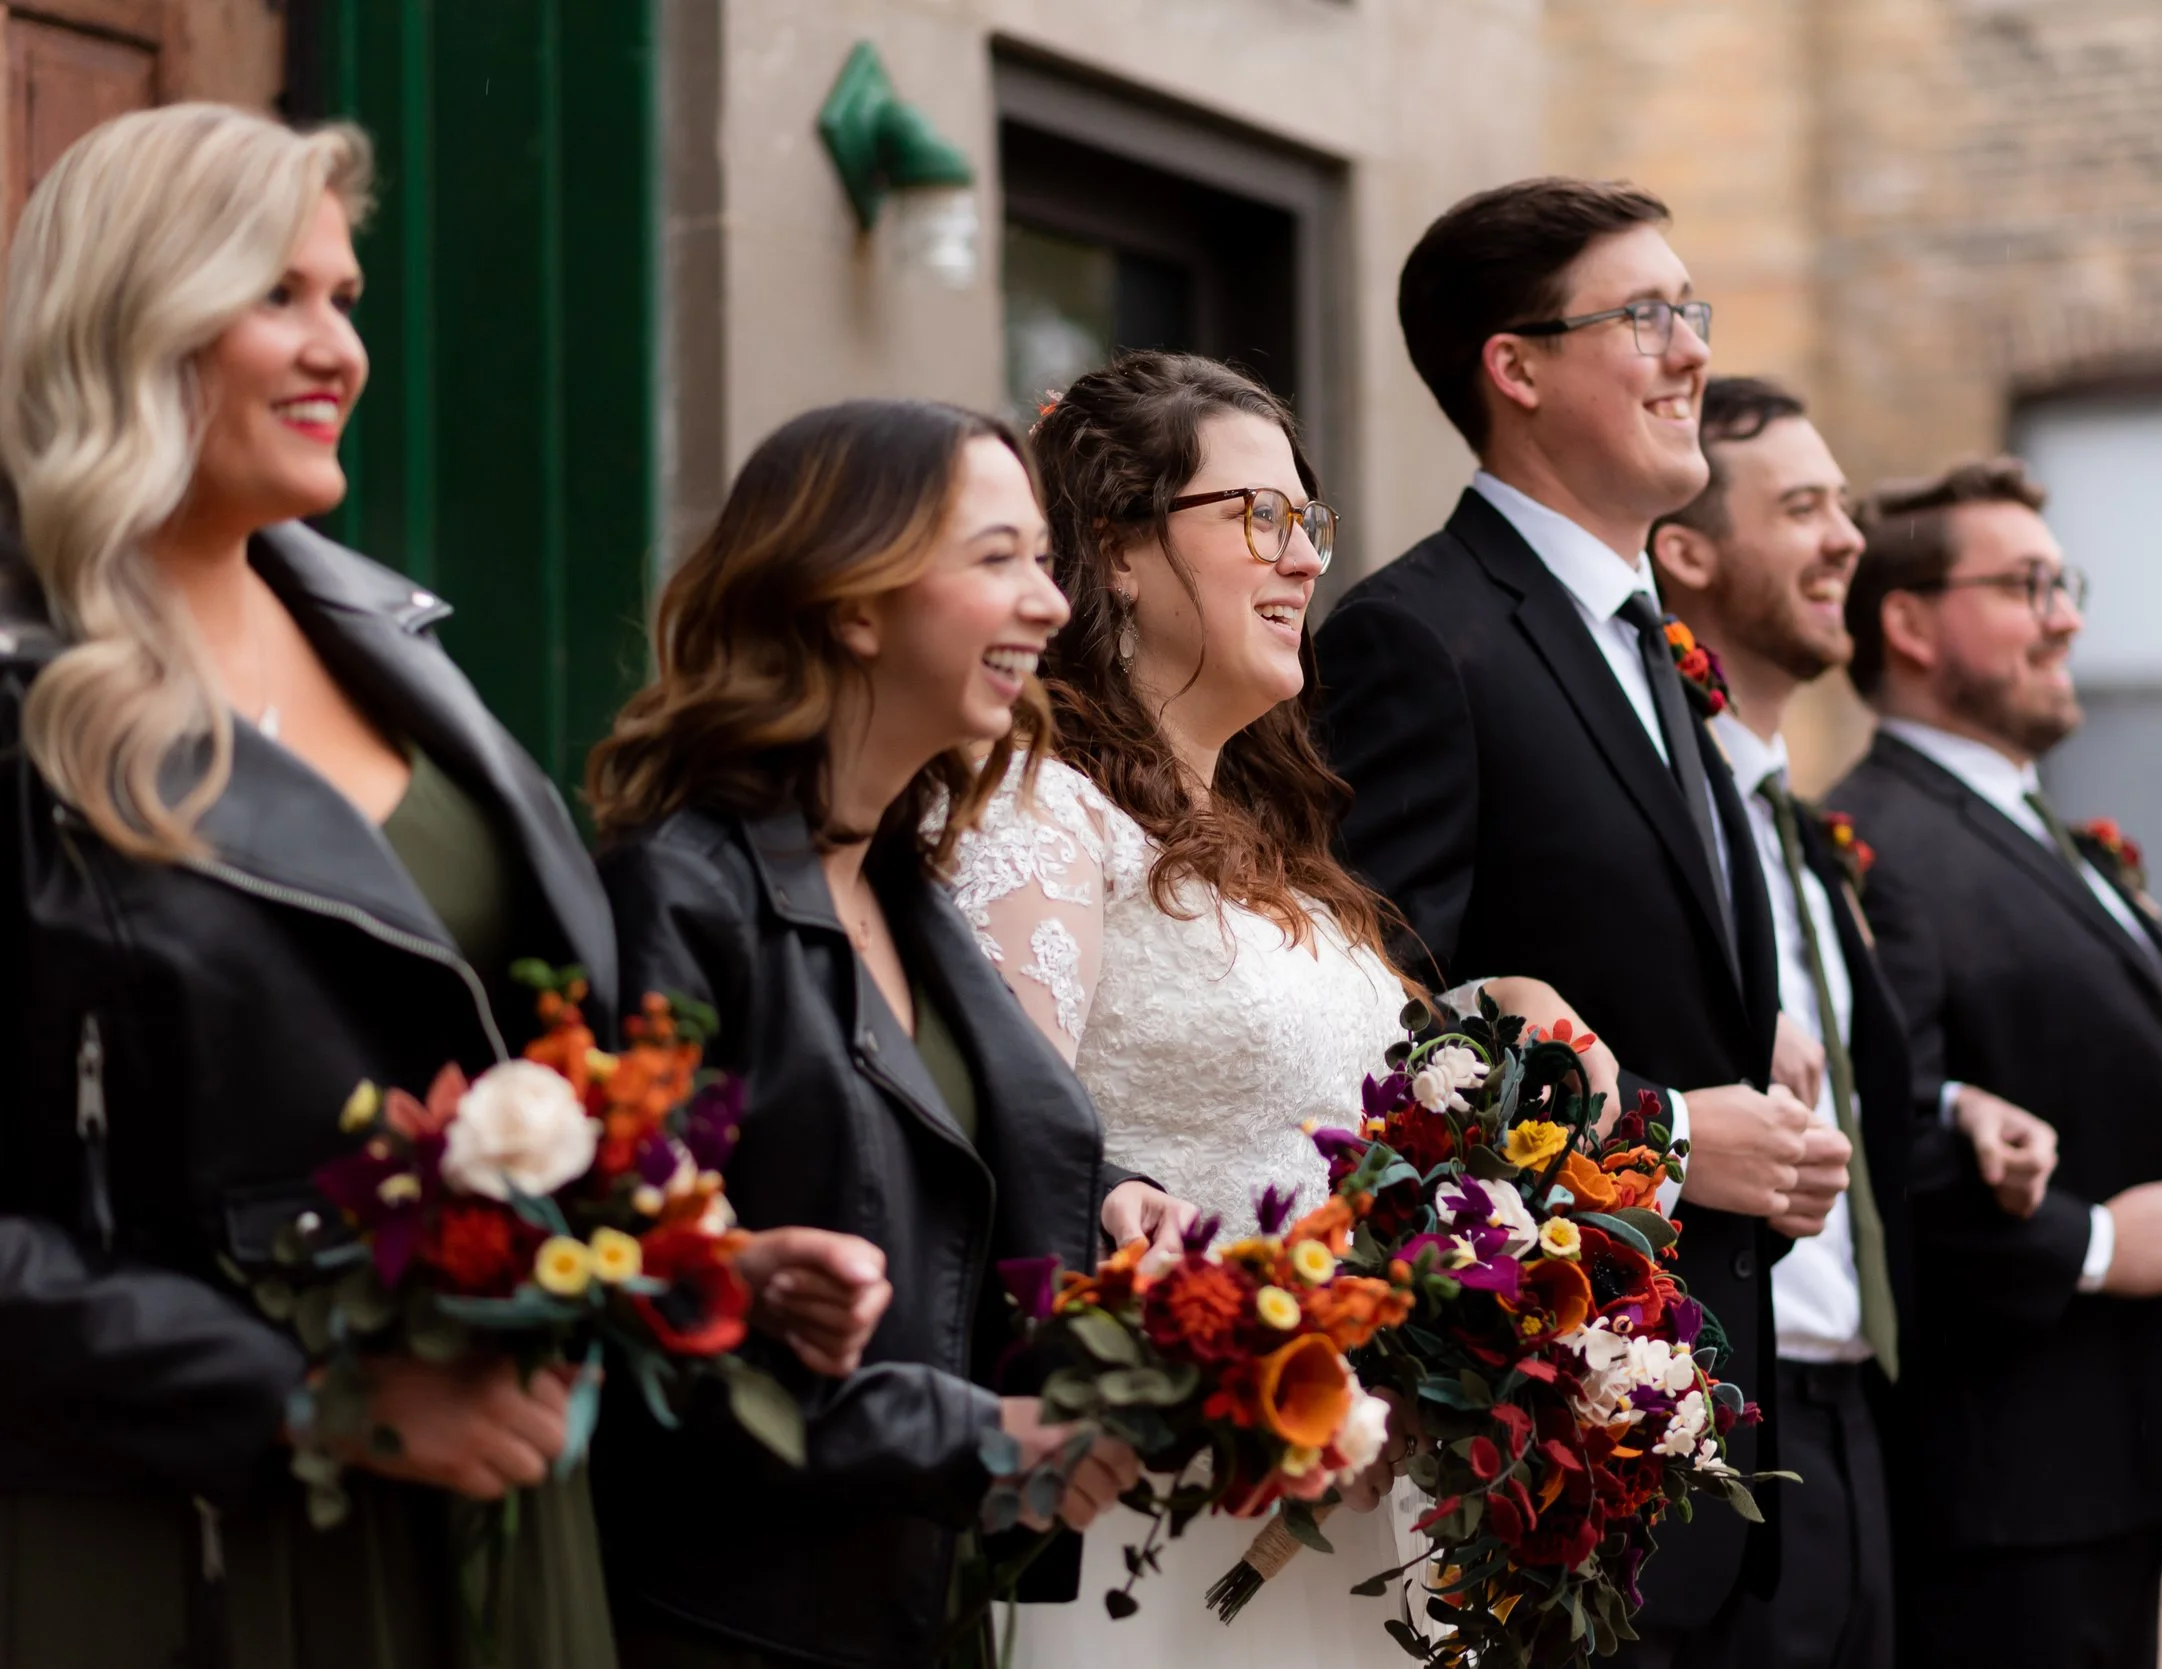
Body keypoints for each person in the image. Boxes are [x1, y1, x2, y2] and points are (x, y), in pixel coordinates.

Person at [0, 104, 619, 1666]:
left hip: (493, 1504)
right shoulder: (23, 694)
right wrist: (307, 1394)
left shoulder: (399, 649)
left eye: (342, 296)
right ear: (127, 317)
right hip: (174, 1535)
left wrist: (695, 1254)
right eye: (275, 294)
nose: (336, 345)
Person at [947, 350, 1615, 1666]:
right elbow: (1017, 1160)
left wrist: (1491, 1022)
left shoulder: (1273, 839)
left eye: (1309, 518)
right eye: (1257, 516)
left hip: (1352, 1503)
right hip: (1163, 1501)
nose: (1303, 555)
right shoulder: (1036, 813)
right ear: (1120, 552)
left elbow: (1320, 1100)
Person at [1313, 178, 1842, 1662]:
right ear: (1518, 367)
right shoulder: (1416, 640)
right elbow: (1381, 1039)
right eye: (1648, 317)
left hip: (1723, 1469)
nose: (1692, 355)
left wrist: (1753, 1025)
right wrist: (1674, 1136)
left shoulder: (1656, 650)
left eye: (1695, 313)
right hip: (1554, 1483)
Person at [588, 399, 1188, 1669]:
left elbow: (947, 1174)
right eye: (997, 559)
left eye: (1044, 557)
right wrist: (974, 1439)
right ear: (854, 601)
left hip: (924, 1605)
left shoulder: (905, 887)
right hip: (728, 1623)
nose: (1052, 603)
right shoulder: (680, 891)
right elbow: (624, 1296)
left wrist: (1113, 1208)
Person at [1646, 378, 2063, 1667]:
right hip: (1719, 1432)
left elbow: (1846, 1077)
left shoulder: (1807, 831)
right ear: (1688, 550)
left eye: (1844, 505)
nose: (1847, 539)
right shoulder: (1663, 815)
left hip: (1861, 1429)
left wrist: (1947, 1108)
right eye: (1806, 506)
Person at [1827, 458, 2162, 1668]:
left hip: (2107, 1471)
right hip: (1998, 1512)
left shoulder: (2036, 829)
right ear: (1908, 621)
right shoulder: (1871, 845)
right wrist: (2091, 1246)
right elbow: (1882, 1147)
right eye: (2025, 585)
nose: (2066, 615)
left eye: (2061, 581)